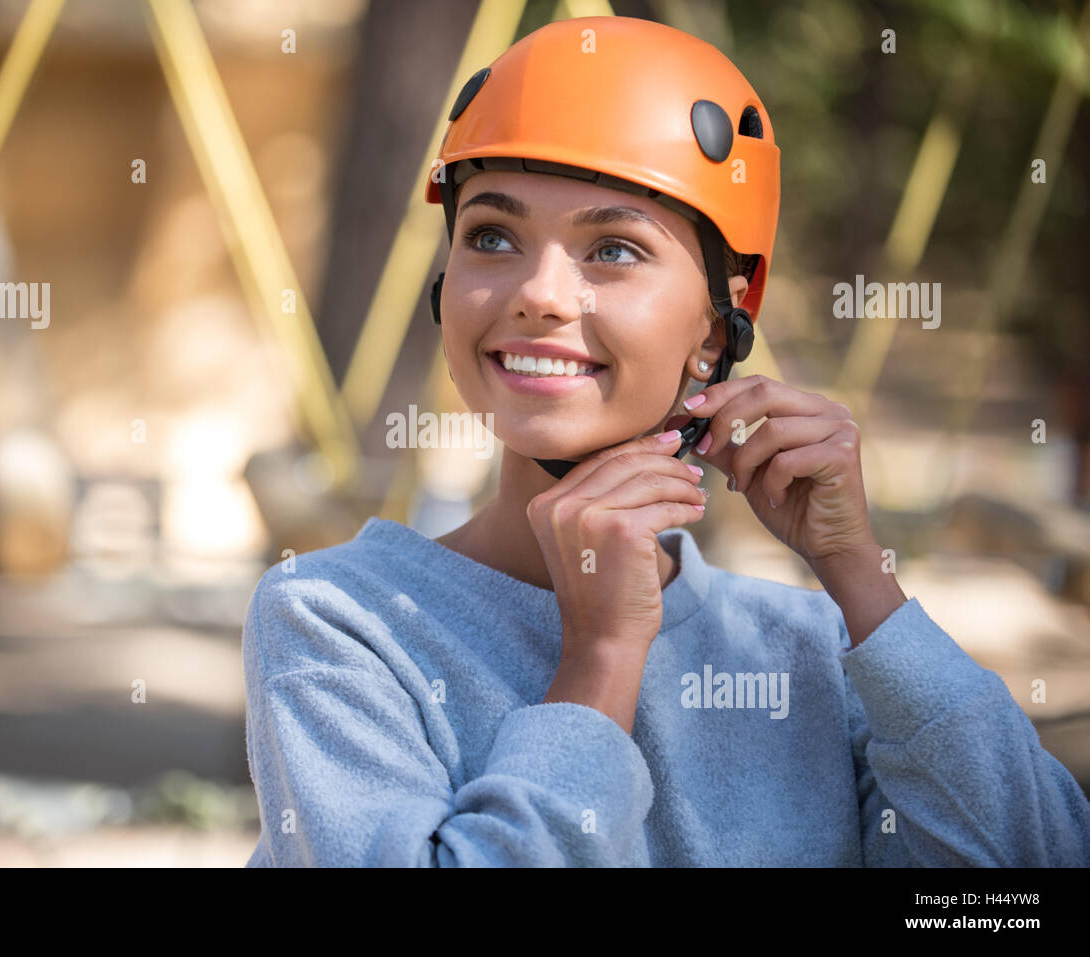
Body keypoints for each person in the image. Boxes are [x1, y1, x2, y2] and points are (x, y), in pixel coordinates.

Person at [241, 16, 1090, 866]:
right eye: (491, 236)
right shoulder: (338, 622)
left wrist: (860, 578)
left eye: (611, 249)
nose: (538, 293)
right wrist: (600, 661)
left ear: (722, 322)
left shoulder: (809, 652)